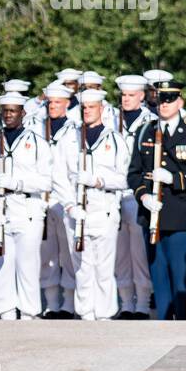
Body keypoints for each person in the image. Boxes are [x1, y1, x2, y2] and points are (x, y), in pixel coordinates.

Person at [127, 78, 186, 319]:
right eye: (160, 99)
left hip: (181, 215)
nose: (163, 104)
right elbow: (133, 174)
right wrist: (142, 196)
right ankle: (162, 325)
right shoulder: (146, 130)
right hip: (151, 215)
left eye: (169, 99)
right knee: (159, 276)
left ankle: (182, 324)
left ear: (179, 101)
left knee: (180, 277)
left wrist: (174, 179)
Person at [52, 89, 130, 320]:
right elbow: (59, 175)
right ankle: (85, 311)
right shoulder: (69, 139)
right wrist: (69, 205)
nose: (87, 111)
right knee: (83, 267)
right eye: (84, 108)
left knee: (104, 267)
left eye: (92, 107)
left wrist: (98, 180)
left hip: (104, 209)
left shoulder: (115, 139)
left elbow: (125, 177)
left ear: (102, 110)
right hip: (77, 211)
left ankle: (105, 313)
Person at [0, 92, 52, 320]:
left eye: (13, 110)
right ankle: (5, 312)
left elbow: (46, 181)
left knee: (28, 264)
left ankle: (29, 312)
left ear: (23, 113)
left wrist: (18, 183)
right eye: (5, 110)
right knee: (1, 264)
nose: (8, 115)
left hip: (27, 208)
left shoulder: (38, 143)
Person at [33, 83, 78, 318]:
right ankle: (51, 303)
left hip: (64, 196)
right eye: (50, 102)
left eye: (58, 102)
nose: (53, 106)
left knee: (69, 252)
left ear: (67, 104)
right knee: (46, 253)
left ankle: (69, 303)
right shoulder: (36, 127)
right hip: (40, 197)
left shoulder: (75, 129)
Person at [113, 74, 154, 318]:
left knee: (139, 255)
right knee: (120, 256)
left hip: (137, 194)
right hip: (114, 195)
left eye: (131, 95)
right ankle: (126, 302)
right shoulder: (110, 119)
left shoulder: (151, 122)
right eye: (123, 96)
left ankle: (142, 304)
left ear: (141, 96)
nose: (126, 100)